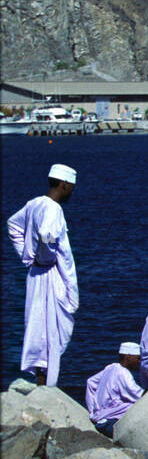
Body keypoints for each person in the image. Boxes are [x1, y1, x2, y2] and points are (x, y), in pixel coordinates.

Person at [6, 163, 79, 386]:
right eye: (72, 188)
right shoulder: (53, 208)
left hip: (35, 274)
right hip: (49, 273)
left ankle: (41, 377)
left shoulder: (34, 203)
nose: (71, 193)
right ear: (64, 185)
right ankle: (47, 381)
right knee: (51, 329)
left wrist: (27, 255)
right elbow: (47, 234)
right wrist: (46, 254)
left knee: (38, 326)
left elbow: (13, 225)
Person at [84, 342, 143, 436]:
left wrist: (93, 410)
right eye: (138, 358)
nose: (139, 362)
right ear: (128, 357)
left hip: (99, 419)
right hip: (110, 423)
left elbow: (90, 382)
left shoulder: (111, 367)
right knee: (140, 406)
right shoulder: (123, 373)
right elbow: (137, 395)